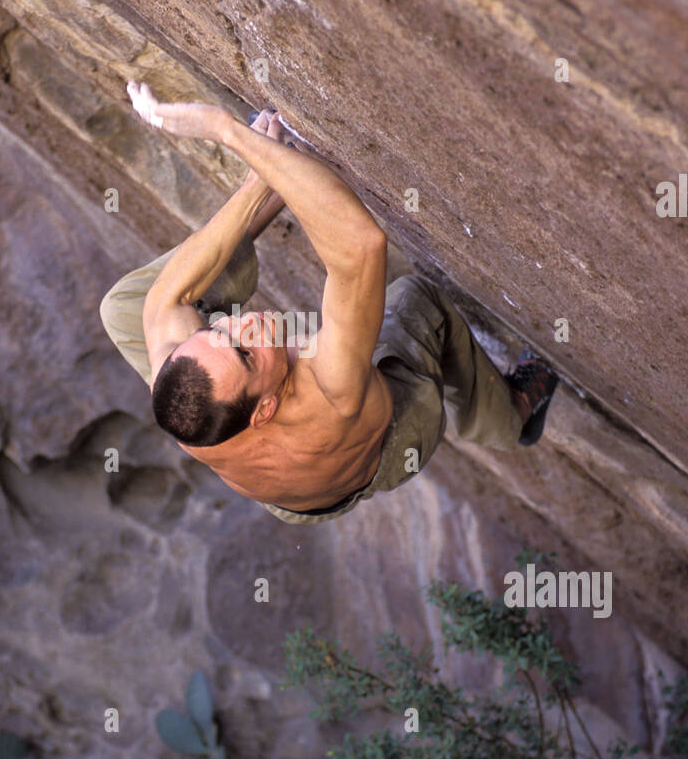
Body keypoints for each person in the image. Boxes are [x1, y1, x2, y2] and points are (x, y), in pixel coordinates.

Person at [99, 87, 558, 524]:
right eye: (244, 350)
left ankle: (264, 189)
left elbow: (177, 305)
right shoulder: (329, 392)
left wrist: (263, 178)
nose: (245, 325)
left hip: (259, 460)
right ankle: (511, 414)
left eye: (216, 331)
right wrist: (227, 131)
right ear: (265, 410)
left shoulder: (178, 377)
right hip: (375, 454)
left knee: (125, 307)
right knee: (415, 299)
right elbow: (360, 248)